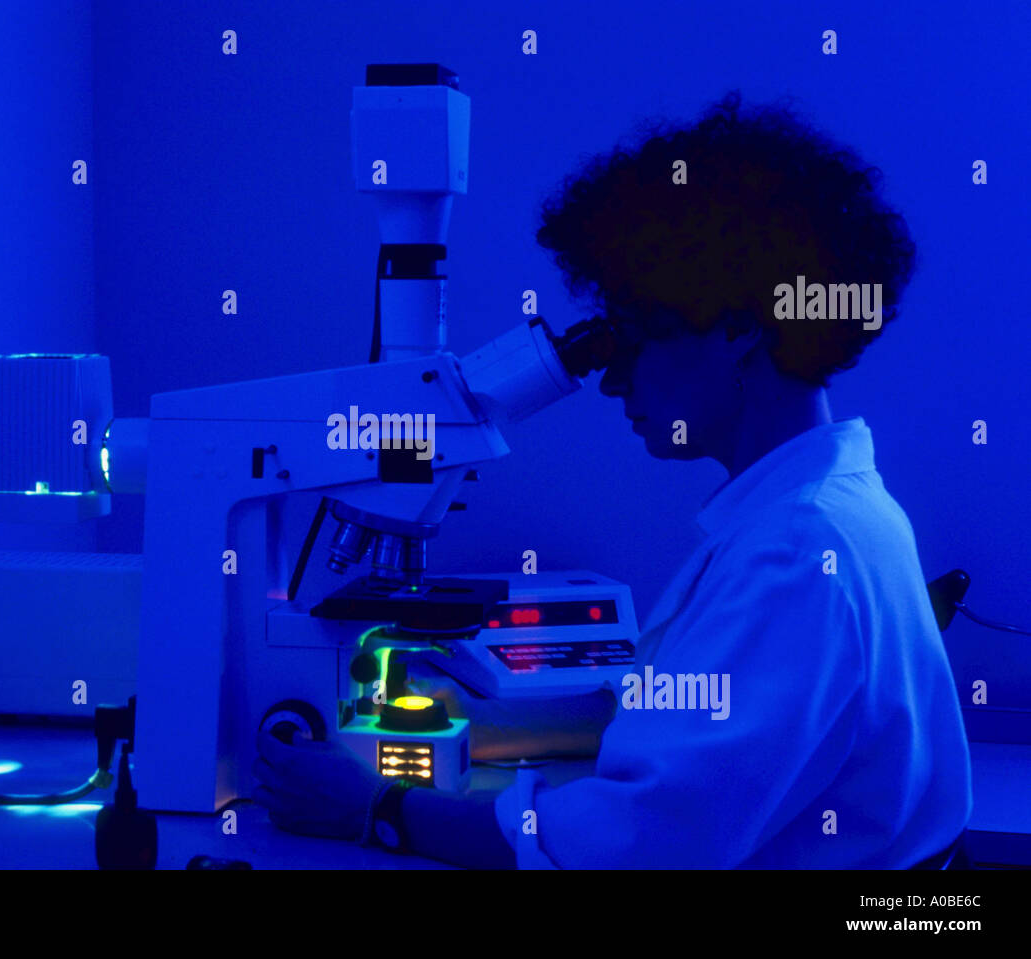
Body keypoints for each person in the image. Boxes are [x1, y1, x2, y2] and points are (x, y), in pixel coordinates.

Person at [252, 92, 972, 868]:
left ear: (739, 329)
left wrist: (375, 808)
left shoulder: (797, 552)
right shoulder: (832, 505)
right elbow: (704, 716)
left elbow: (634, 846)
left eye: (633, 338)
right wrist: (491, 723)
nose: (611, 381)